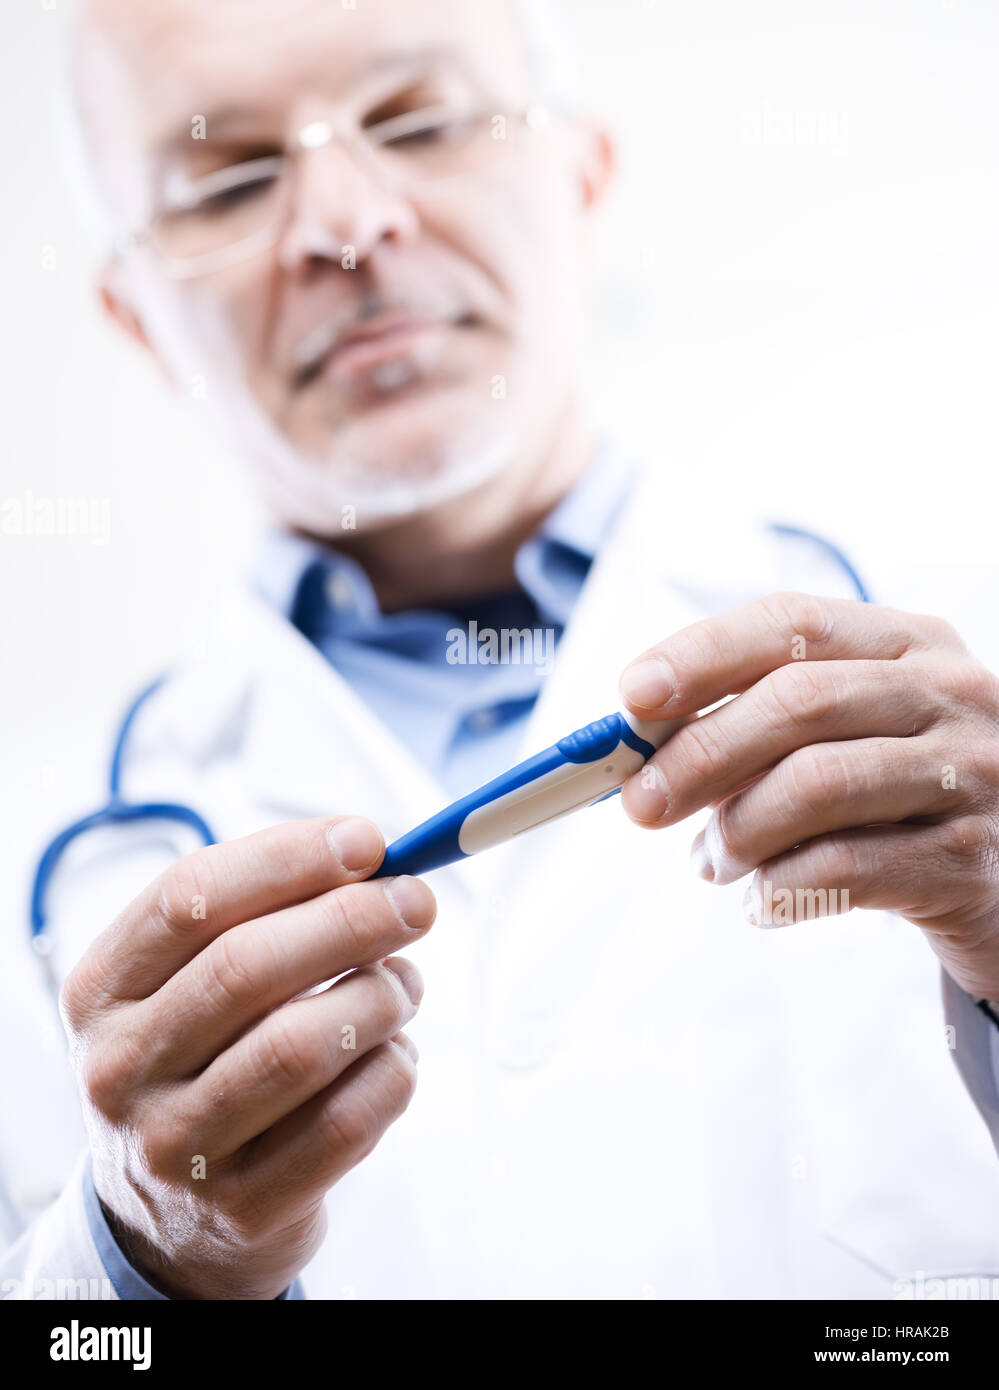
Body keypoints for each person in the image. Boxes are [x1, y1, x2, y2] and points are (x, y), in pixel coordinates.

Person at [2, 0, 998, 1301]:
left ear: (582, 176)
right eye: (233, 176)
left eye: (419, 120)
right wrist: (140, 1259)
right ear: (135, 315)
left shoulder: (964, 678)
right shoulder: (48, 856)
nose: (346, 224)